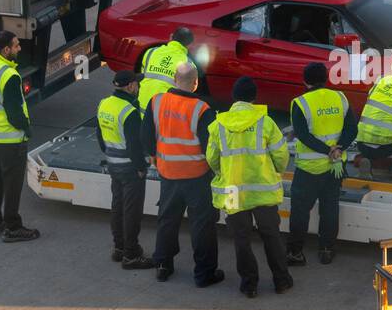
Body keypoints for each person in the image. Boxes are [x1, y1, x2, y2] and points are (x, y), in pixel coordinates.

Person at [206, 76, 292, 298]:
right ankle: (281, 280)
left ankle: (249, 285)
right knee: (271, 235)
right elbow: (281, 155)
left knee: (241, 238)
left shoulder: (218, 125)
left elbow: (212, 159)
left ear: (234, 97)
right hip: (262, 188)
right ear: (255, 98)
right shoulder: (266, 122)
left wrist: (224, 172)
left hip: (233, 191)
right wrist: (275, 172)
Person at [140, 62, 224, 287]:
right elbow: (210, 147)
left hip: (168, 173)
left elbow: (146, 134)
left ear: (174, 80)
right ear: (195, 83)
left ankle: (162, 265)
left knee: (167, 220)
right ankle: (204, 274)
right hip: (197, 176)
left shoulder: (156, 101)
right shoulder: (202, 109)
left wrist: (152, 156)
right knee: (202, 225)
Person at [287, 62, 356, 266]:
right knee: (329, 208)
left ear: (304, 80)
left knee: (300, 210)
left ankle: (295, 252)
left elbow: (302, 136)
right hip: (335, 167)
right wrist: (338, 149)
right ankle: (327, 249)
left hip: (309, 169)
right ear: (326, 79)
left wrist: (327, 149)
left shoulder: (300, 103)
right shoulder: (340, 97)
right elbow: (352, 129)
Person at [0, 31, 39, 242]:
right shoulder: (9, 75)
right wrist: (27, 129)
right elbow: (14, 113)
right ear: (6, 50)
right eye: (16, 45)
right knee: (12, 183)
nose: (19, 49)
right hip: (10, 139)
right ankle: (13, 227)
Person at [97, 70, 154, 270]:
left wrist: (110, 153)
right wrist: (141, 167)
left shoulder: (104, 104)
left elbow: (100, 137)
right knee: (132, 212)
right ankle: (131, 255)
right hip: (130, 169)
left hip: (113, 165)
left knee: (117, 207)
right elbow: (134, 145)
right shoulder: (129, 111)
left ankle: (119, 248)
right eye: (136, 85)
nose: (138, 88)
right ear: (130, 86)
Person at [137, 27, 193, 111]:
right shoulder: (189, 65)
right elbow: (186, 94)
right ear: (189, 45)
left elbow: (143, 74)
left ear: (171, 37)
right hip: (163, 115)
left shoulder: (151, 52)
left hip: (141, 107)